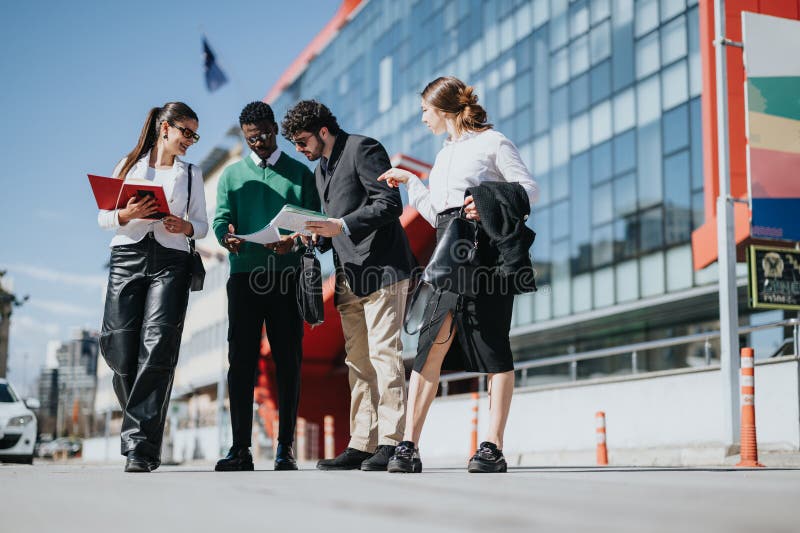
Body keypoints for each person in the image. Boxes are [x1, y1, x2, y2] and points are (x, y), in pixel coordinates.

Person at [378, 76, 539, 473]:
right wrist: (413, 182)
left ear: (444, 109)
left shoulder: (493, 142)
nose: (422, 119)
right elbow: (437, 213)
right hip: (448, 255)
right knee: (429, 347)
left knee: (493, 347)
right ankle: (408, 446)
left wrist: (487, 203)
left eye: (424, 111)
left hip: (487, 256)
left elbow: (529, 191)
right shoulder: (444, 155)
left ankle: (492, 446)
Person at [281, 100, 416, 471]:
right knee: (357, 362)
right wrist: (315, 237)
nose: (299, 149)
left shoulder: (364, 148)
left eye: (302, 140)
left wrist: (339, 225)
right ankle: (362, 442)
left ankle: (391, 442)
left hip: (382, 268)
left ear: (323, 130)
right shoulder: (320, 171)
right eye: (294, 143)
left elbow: (389, 203)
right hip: (347, 275)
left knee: (384, 355)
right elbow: (333, 225)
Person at [98, 102, 208, 473]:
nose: (191, 141)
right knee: (119, 348)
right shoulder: (127, 165)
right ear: (165, 128)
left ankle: (140, 446)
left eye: (195, 135)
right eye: (186, 132)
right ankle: (142, 433)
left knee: (157, 348)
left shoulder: (191, 173)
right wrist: (126, 214)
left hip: (171, 262)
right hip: (126, 258)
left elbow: (202, 226)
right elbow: (103, 217)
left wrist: (185, 227)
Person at [213, 101, 320, 472]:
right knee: (239, 363)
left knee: (288, 361)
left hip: (286, 278)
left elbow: (314, 223)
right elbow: (221, 219)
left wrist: (292, 240)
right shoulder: (231, 176)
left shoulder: (300, 174)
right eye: (251, 137)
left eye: (263, 134)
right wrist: (226, 237)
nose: (258, 142)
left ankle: (285, 448)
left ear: (275, 129)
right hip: (243, 278)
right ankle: (240, 448)